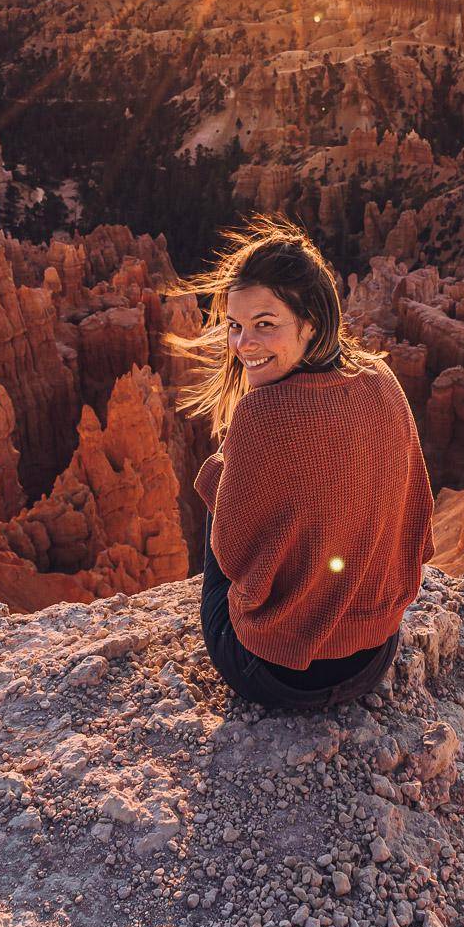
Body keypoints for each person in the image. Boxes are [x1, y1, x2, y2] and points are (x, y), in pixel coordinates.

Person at [162, 212, 436, 710]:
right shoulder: (380, 378)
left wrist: (230, 478)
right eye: (235, 326)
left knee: (219, 483)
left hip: (278, 677)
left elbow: (234, 555)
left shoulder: (261, 414)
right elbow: (417, 506)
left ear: (311, 323)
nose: (244, 345)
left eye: (265, 325)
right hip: (374, 656)